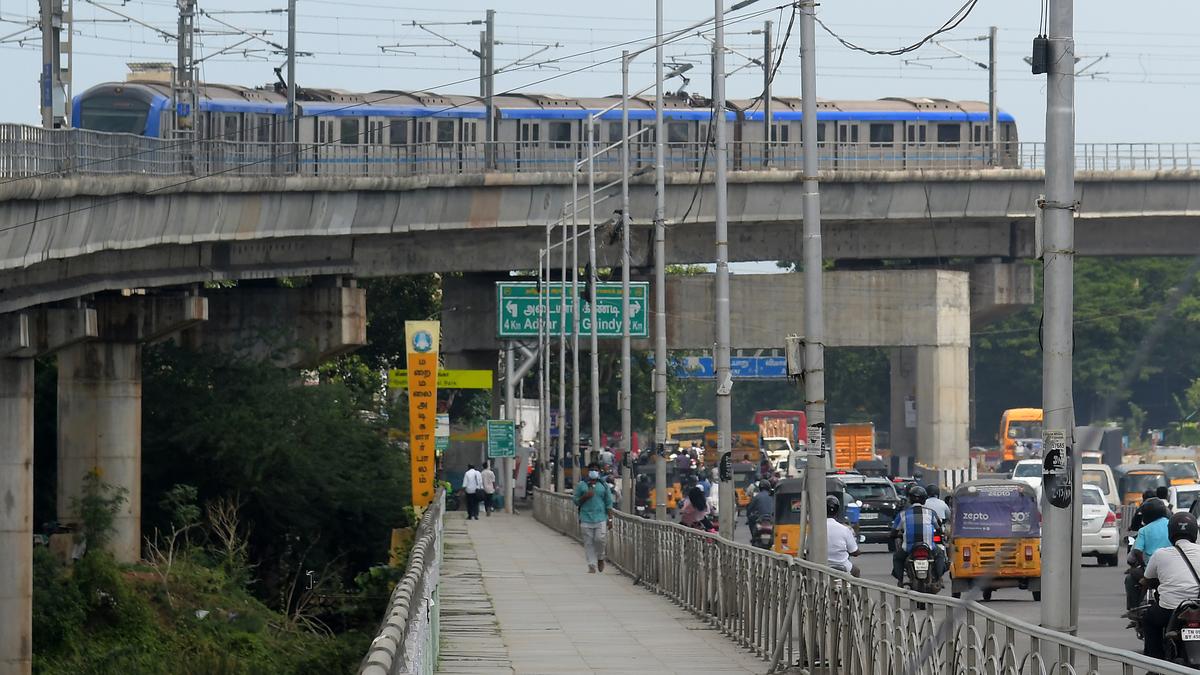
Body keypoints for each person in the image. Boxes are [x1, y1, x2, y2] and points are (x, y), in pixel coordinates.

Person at [1141, 512, 1200, 659]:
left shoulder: (1160, 554)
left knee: (1148, 620)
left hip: (1169, 610)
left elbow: (1147, 579)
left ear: (1171, 532)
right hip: (1198, 608)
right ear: (1194, 532)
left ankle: (1156, 664)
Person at [890, 485, 945, 584]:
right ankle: (940, 578)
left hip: (909, 548)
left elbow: (893, 532)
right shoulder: (931, 513)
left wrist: (893, 535)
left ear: (910, 499)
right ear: (924, 499)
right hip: (929, 547)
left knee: (897, 558)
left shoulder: (902, 514)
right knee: (940, 555)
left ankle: (900, 580)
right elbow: (939, 528)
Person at [1127, 496, 1171, 609]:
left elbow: (1136, 551)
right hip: (1172, 570)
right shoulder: (1172, 525)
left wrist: (1143, 565)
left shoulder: (1144, 530)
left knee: (1130, 578)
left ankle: (1134, 609)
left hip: (1151, 572)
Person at [572, 462, 614, 573]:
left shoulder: (603, 485)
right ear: (588, 471)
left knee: (600, 539)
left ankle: (600, 557)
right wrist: (585, 497)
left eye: (595, 469)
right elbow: (576, 501)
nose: (593, 472)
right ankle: (591, 564)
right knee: (588, 542)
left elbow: (609, 502)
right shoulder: (582, 485)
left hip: (600, 517)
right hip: (586, 517)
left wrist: (610, 519)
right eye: (591, 469)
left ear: (599, 471)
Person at [827, 495, 861, 577]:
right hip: (843, 565)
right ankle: (854, 590)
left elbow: (807, 549)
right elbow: (854, 551)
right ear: (838, 511)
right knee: (856, 571)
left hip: (821, 566)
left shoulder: (814, 529)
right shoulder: (844, 529)